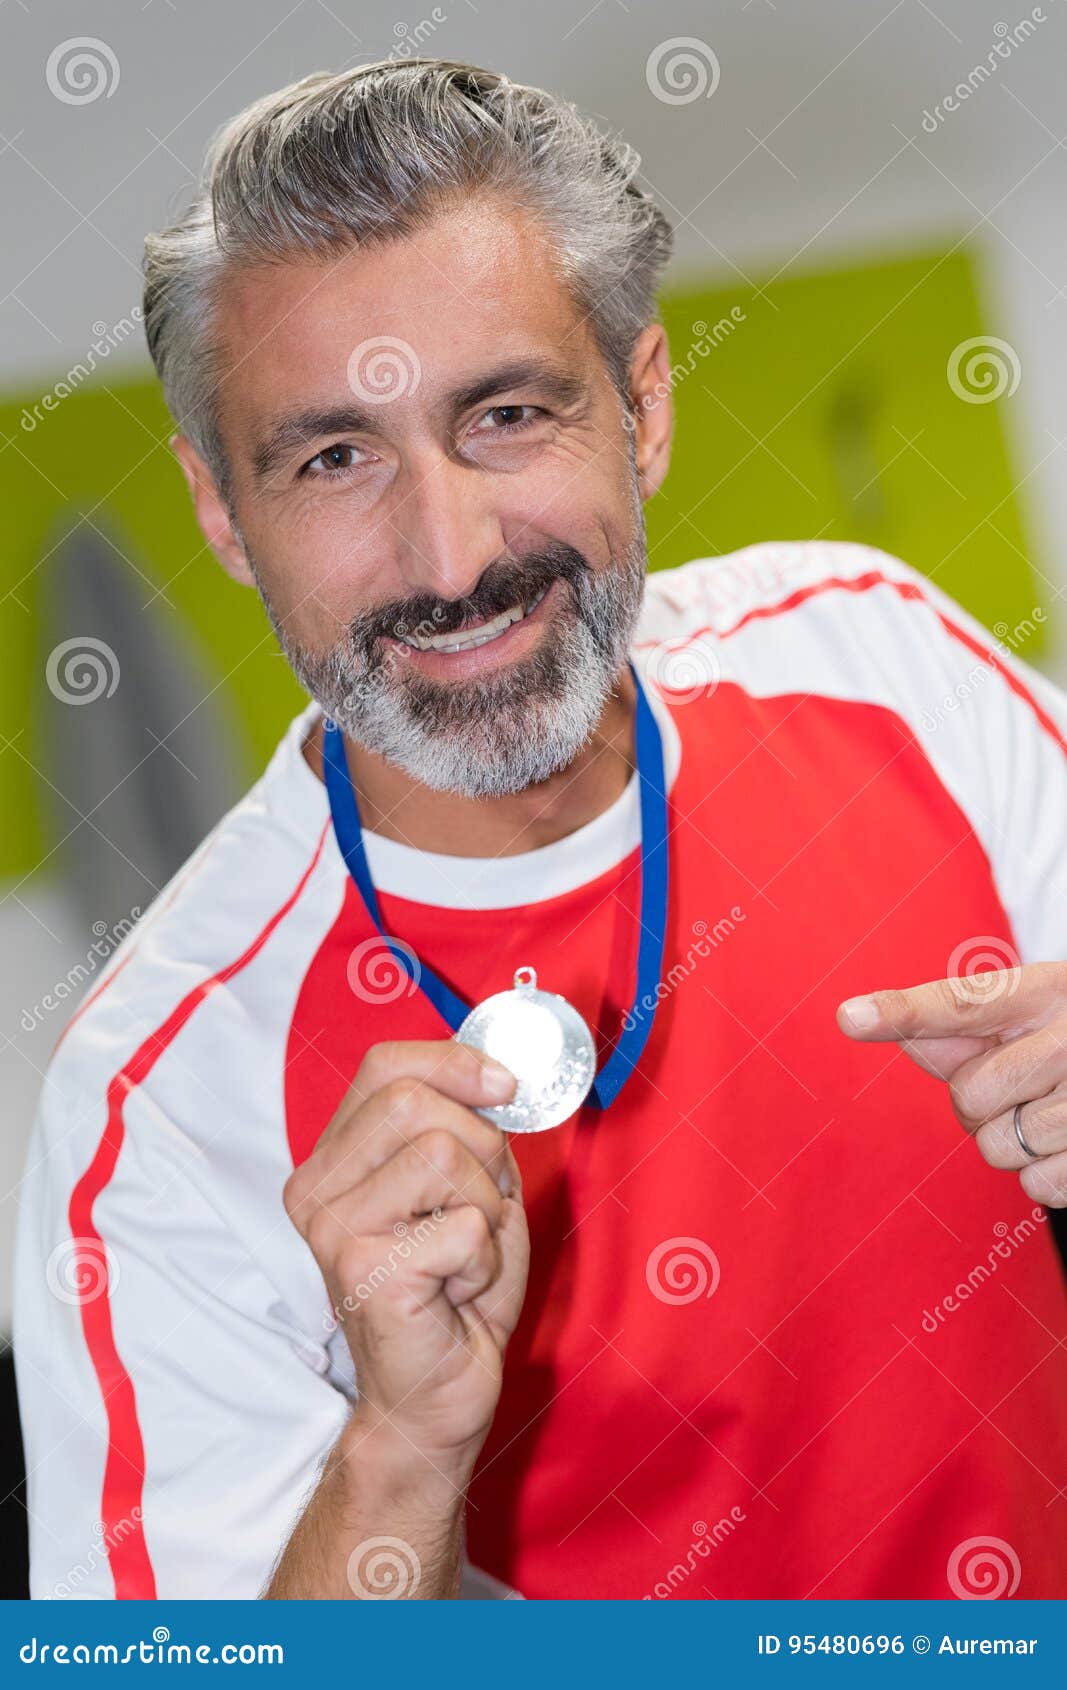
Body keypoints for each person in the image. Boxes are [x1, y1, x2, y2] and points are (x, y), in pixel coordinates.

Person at [14, 57, 1067, 1603]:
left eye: (505, 415)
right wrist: (399, 1446)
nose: (450, 559)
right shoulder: (159, 1108)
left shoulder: (882, 655)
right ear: (223, 513)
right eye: (333, 458)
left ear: (643, 407)